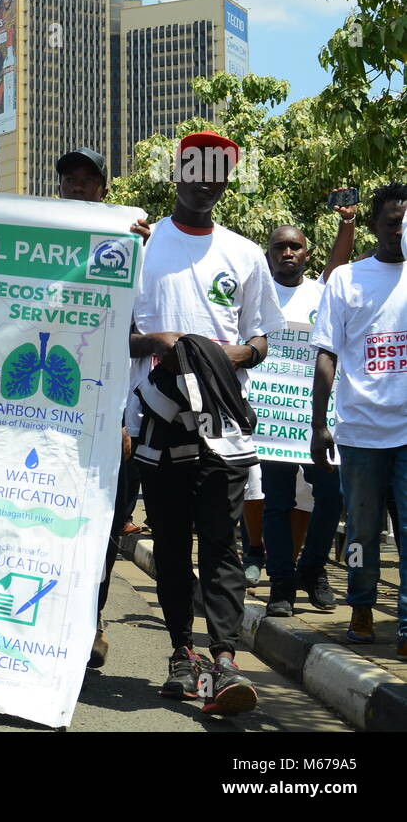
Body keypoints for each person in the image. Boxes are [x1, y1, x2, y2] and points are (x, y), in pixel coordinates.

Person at [128, 131, 284, 716]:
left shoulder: (245, 255)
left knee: (222, 545)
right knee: (170, 545)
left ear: (223, 181)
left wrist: (228, 356)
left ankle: (223, 659)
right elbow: (119, 332)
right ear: (177, 174)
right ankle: (179, 653)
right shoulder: (142, 249)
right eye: (194, 168)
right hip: (161, 420)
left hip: (224, 426)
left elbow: (261, 337)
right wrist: (163, 344)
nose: (204, 180)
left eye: (216, 171)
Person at [53, 146, 149, 672]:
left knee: (104, 527)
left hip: (111, 416)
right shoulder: (39, 243)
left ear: (104, 190)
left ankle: (90, 617)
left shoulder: (131, 247)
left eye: (88, 180)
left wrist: (117, 416)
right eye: (69, 180)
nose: (77, 188)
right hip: (47, 413)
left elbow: (134, 334)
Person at [311, 183, 407, 653]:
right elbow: (326, 355)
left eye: (406, 223)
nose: (399, 230)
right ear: (373, 224)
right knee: (362, 532)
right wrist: (318, 424)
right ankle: (362, 604)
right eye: (392, 221)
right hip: (360, 432)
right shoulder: (346, 280)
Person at [258, 208, 356, 616]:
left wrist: (346, 225)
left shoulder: (322, 293)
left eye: (294, 246)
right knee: (277, 503)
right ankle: (282, 585)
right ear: (268, 256)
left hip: (319, 421)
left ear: (307, 255)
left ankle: (312, 568)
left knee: (332, 496)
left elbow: (340, 264)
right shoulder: (259, 294)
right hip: (271, 420)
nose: (287, 253)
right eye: (279, 247)